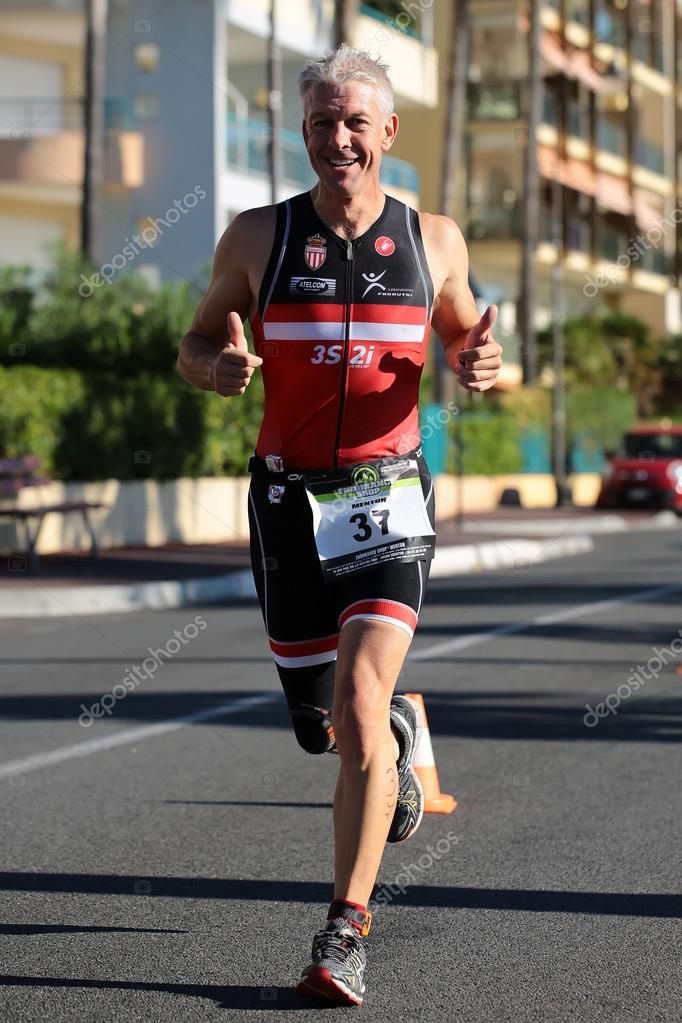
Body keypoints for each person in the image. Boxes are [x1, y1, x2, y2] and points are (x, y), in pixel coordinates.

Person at [177, 44, 503, 1007]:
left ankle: (344, 930)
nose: (339, 139)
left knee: (360, 707)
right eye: (322, 122)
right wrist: (213, 366)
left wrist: (482, 365)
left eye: (356, 121)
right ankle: (390, 737)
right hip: (285, 502)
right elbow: (196, 339)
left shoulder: (434, 239)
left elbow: (469, 336)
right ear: (304, 132)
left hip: (387, 496)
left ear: (387, 131)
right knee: (322, 728)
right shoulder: (257, 237)